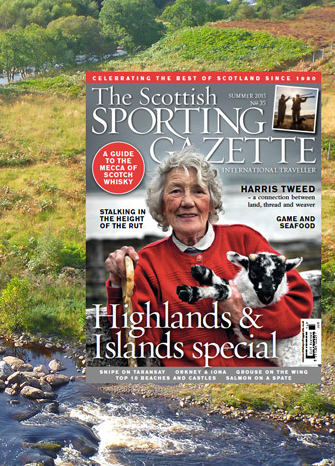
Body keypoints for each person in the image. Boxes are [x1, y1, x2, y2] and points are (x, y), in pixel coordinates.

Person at [104, 147, 312, 367]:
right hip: (195, 389)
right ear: (162, 205)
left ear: (211, 203)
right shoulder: (148, 263)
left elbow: (300, 305)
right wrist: (119, 286)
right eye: (175, 191)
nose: (187, 202)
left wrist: (244, 317)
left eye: (198, 191)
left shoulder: (245, 241)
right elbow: (139, 343)